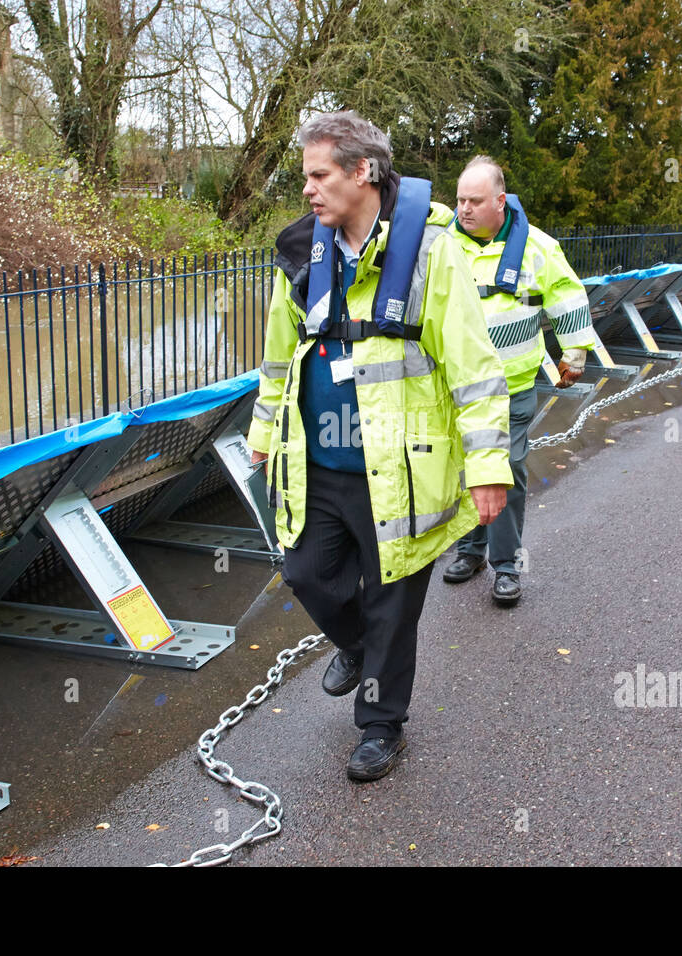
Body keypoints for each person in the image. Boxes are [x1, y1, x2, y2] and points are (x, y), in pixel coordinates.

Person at [246, 111, 512, 782]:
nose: (307, 189)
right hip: (319, 466)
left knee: (394, 603)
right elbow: (280, 358)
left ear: (363, 172)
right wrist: (261, 432)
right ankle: (360, 647)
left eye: (319, 175)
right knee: (306, 572)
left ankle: (380, 727)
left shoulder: (433, 250)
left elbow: (475, 369)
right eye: (305, 176)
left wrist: (487, 466)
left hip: (404, 470)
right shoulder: (301, 253)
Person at [441, 156, 597, 605]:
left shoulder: (538, 248)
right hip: (457, 386)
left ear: (500, 201)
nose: (464, 209)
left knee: (503, 469)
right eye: (459, 200)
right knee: (464, 467)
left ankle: (506, 565)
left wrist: (575, 354)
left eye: (474, 201)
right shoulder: (443, 246)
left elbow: (566, 296)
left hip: (512, 384)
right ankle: (470, 550)